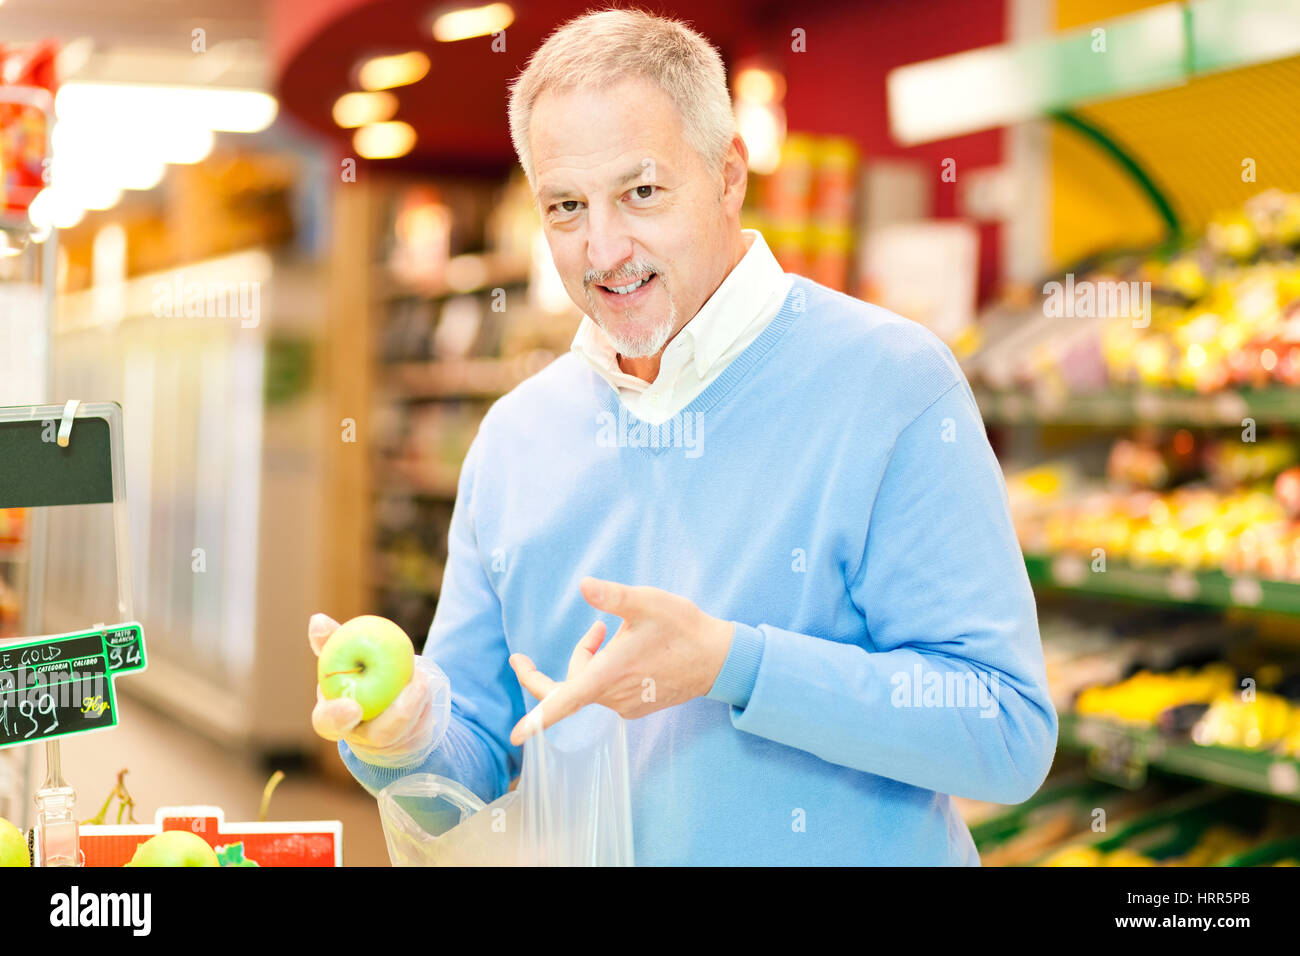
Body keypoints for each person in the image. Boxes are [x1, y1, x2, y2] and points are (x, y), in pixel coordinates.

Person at [310, 7, 1057, 865]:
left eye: (642, 192)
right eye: (565, 206)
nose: (603, 248)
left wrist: (732, 665)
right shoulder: (516, 437)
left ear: (728, 174)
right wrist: (407, 733)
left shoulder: (893, 384)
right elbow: (482, 756)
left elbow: (1003, 730)